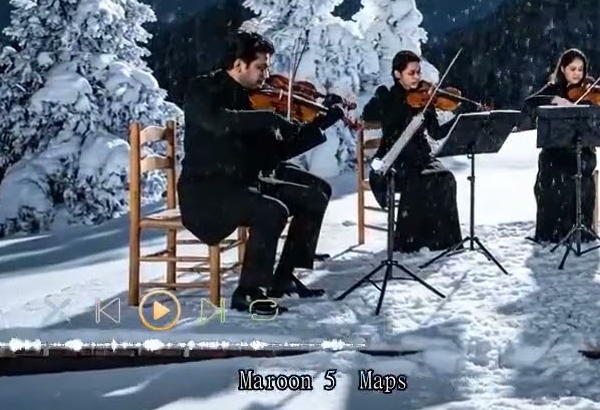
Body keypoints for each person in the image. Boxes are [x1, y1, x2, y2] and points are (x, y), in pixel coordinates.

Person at [178, 31, 346, 316]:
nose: (267, 74)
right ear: (238, 64)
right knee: (272, 211)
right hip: (207, 192)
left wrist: (320, 123)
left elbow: (276, 152)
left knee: (315, 195)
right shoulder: (202, 89)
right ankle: (249, 294)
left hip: (243, 183)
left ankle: (283, 277)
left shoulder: (255, 100)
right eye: (261, 66)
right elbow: (217, 122)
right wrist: (268, 117)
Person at [360, 50, 464, 253]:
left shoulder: (425, 98)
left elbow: (435, 133)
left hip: (420, 156)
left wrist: (456, 117)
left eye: (418, 72)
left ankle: (443, 240)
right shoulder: (386, 96)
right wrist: (401, 104)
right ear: (398, 75)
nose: (417, 77)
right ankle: (410, 243)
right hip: (394, 158)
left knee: (446, 178)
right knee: (419, 180)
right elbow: (368, 114)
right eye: (412, 73)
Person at [522, 49, 600, 243]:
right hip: (555, 149)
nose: (577, 73)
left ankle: (581, 229)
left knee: (578, 175)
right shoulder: (553, 89)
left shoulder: (592, 89)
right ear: (562, 69)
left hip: (583, 149)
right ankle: (552, 232)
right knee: (549, 176)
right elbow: (529, 103)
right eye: (572, 69)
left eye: (581, 69)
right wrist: (553, 100)